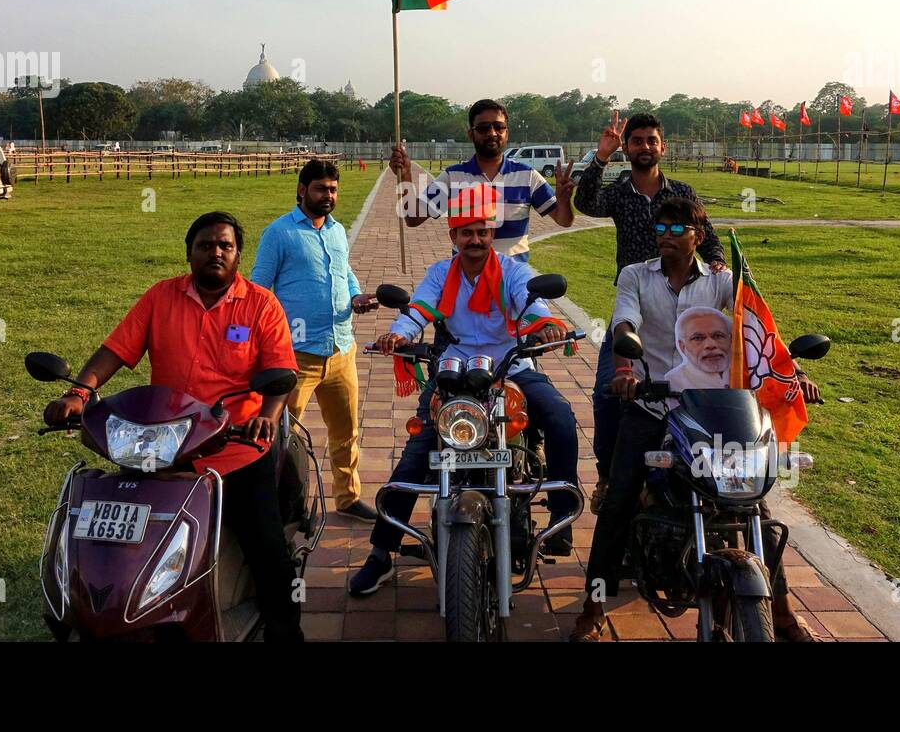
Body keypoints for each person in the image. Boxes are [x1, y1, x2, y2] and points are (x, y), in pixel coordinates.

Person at [42, 211, 304, 642]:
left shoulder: (261, 305)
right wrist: (80, 393)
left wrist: (267, 418)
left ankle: (284, 631)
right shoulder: (160, 297)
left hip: (235, 450)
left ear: (239, 255)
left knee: (269, 552)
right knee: (127, 535)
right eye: (205, 245)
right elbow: (115, 350)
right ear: (189, 253)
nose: (215, 252)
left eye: (225, 246)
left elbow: (280, 374)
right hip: (162, 448)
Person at [567, 199, 822, 642]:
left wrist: (792, 371)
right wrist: (626, 366)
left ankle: (782, 615)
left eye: (676, 226)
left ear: (697, 236)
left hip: (711, 411)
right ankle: (592, 609)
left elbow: (758, 324)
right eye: (660, 226)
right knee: (618, 503)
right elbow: (625, 321)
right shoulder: (635, 275)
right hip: (654, 404)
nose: (665, 233)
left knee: (752, 507)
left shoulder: (721, 281)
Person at [347, 184, 580, 596]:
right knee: (415, 457)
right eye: (466, 232)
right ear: (453, 236)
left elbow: (533, 304)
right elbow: (418, 308)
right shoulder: (440, 273)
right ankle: (381, 554)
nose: (475, 240)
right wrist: (398, 335)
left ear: (492, 234)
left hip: (510, 367)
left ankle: (561, 519)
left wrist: (546, 324)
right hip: (452, 370)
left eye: (483, 232)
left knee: (561, 417)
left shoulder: (512, 271)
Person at [568, 110, 727, 514]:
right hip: (637, 305)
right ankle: (610, 475)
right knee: (608, 391)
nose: (644, 147)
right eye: (635, 141)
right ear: (628, 147)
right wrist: (600, 158)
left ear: (662, 146)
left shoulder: (683, 191)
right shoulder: (621, 191)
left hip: (688, 310)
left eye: (650, 141)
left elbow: (706, 235)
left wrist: (720, 263)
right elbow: (586, 202)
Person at [250, 159, 379, 522]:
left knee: (347, 431)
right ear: (302, 189)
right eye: (321, 189)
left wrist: (355, 296)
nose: (328, 196)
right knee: (283, 438)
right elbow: (259, 288)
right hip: (296, 357)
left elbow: (346, 272)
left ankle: (348, 497)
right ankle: (286, 508)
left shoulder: (337, 231)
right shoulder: (280, 233)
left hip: (341, 348)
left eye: (334, 190)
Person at [388, 98, 574, 261]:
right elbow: (413, 218)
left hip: (512, 286)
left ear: (506, 132)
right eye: (484, 128)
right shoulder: (453, 177)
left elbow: (564, 220)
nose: (492, 133)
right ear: (471, 134)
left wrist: (565, 202)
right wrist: (405, 175)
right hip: (466, 284)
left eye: (498, 127)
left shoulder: (527, 176)